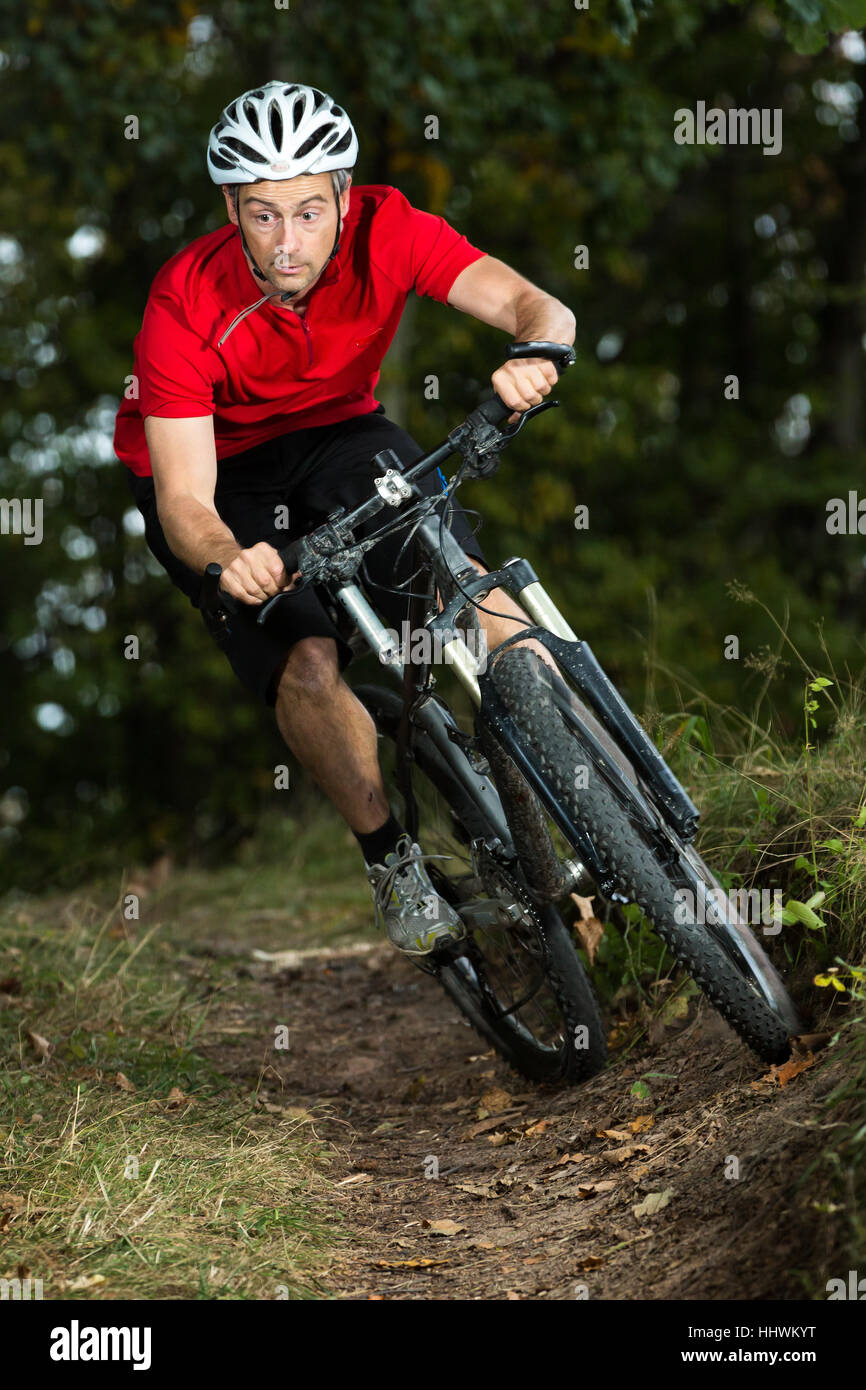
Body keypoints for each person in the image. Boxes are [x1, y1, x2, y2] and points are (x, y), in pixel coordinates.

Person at [114, 80, 576, 956]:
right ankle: (390, 858)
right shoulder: (182, 302)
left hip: (341, 433)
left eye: (307, 210)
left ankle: (573, 775)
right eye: (261, 215)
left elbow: (536, 306)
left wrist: (538, 351)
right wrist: (226, 556)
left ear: (343, 193)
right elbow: (183, 500)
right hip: (221, 472)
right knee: (311, 663)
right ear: (230, 208)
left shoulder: (389, 228)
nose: (288, 243)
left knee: (464, 582)